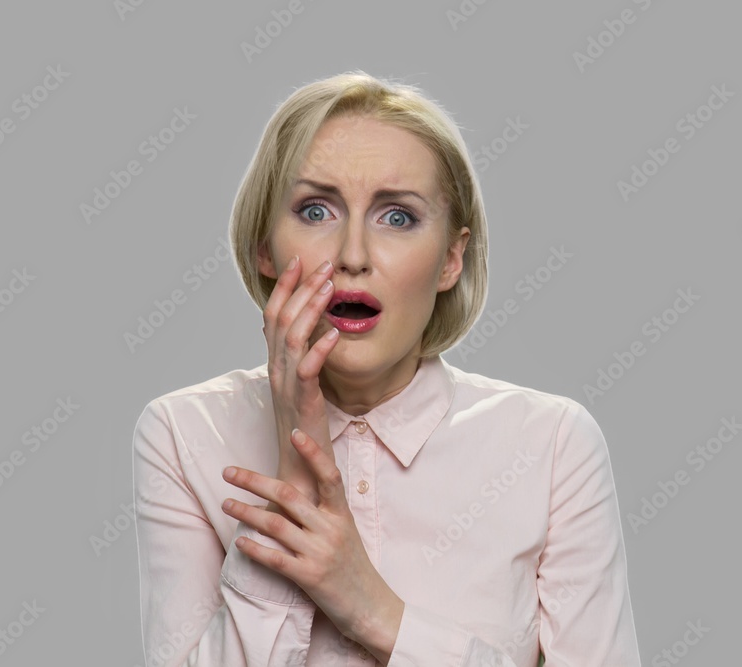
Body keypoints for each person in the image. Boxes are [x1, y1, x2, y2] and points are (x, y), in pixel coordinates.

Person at [133, 70, 641, 666]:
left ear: (451, 259)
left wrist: (370, 608)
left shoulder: (553, 445)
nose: (352, 256)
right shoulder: (181, 434)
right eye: (316, 210)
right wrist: (296, 469)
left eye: (397, 217)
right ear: (264, 247)